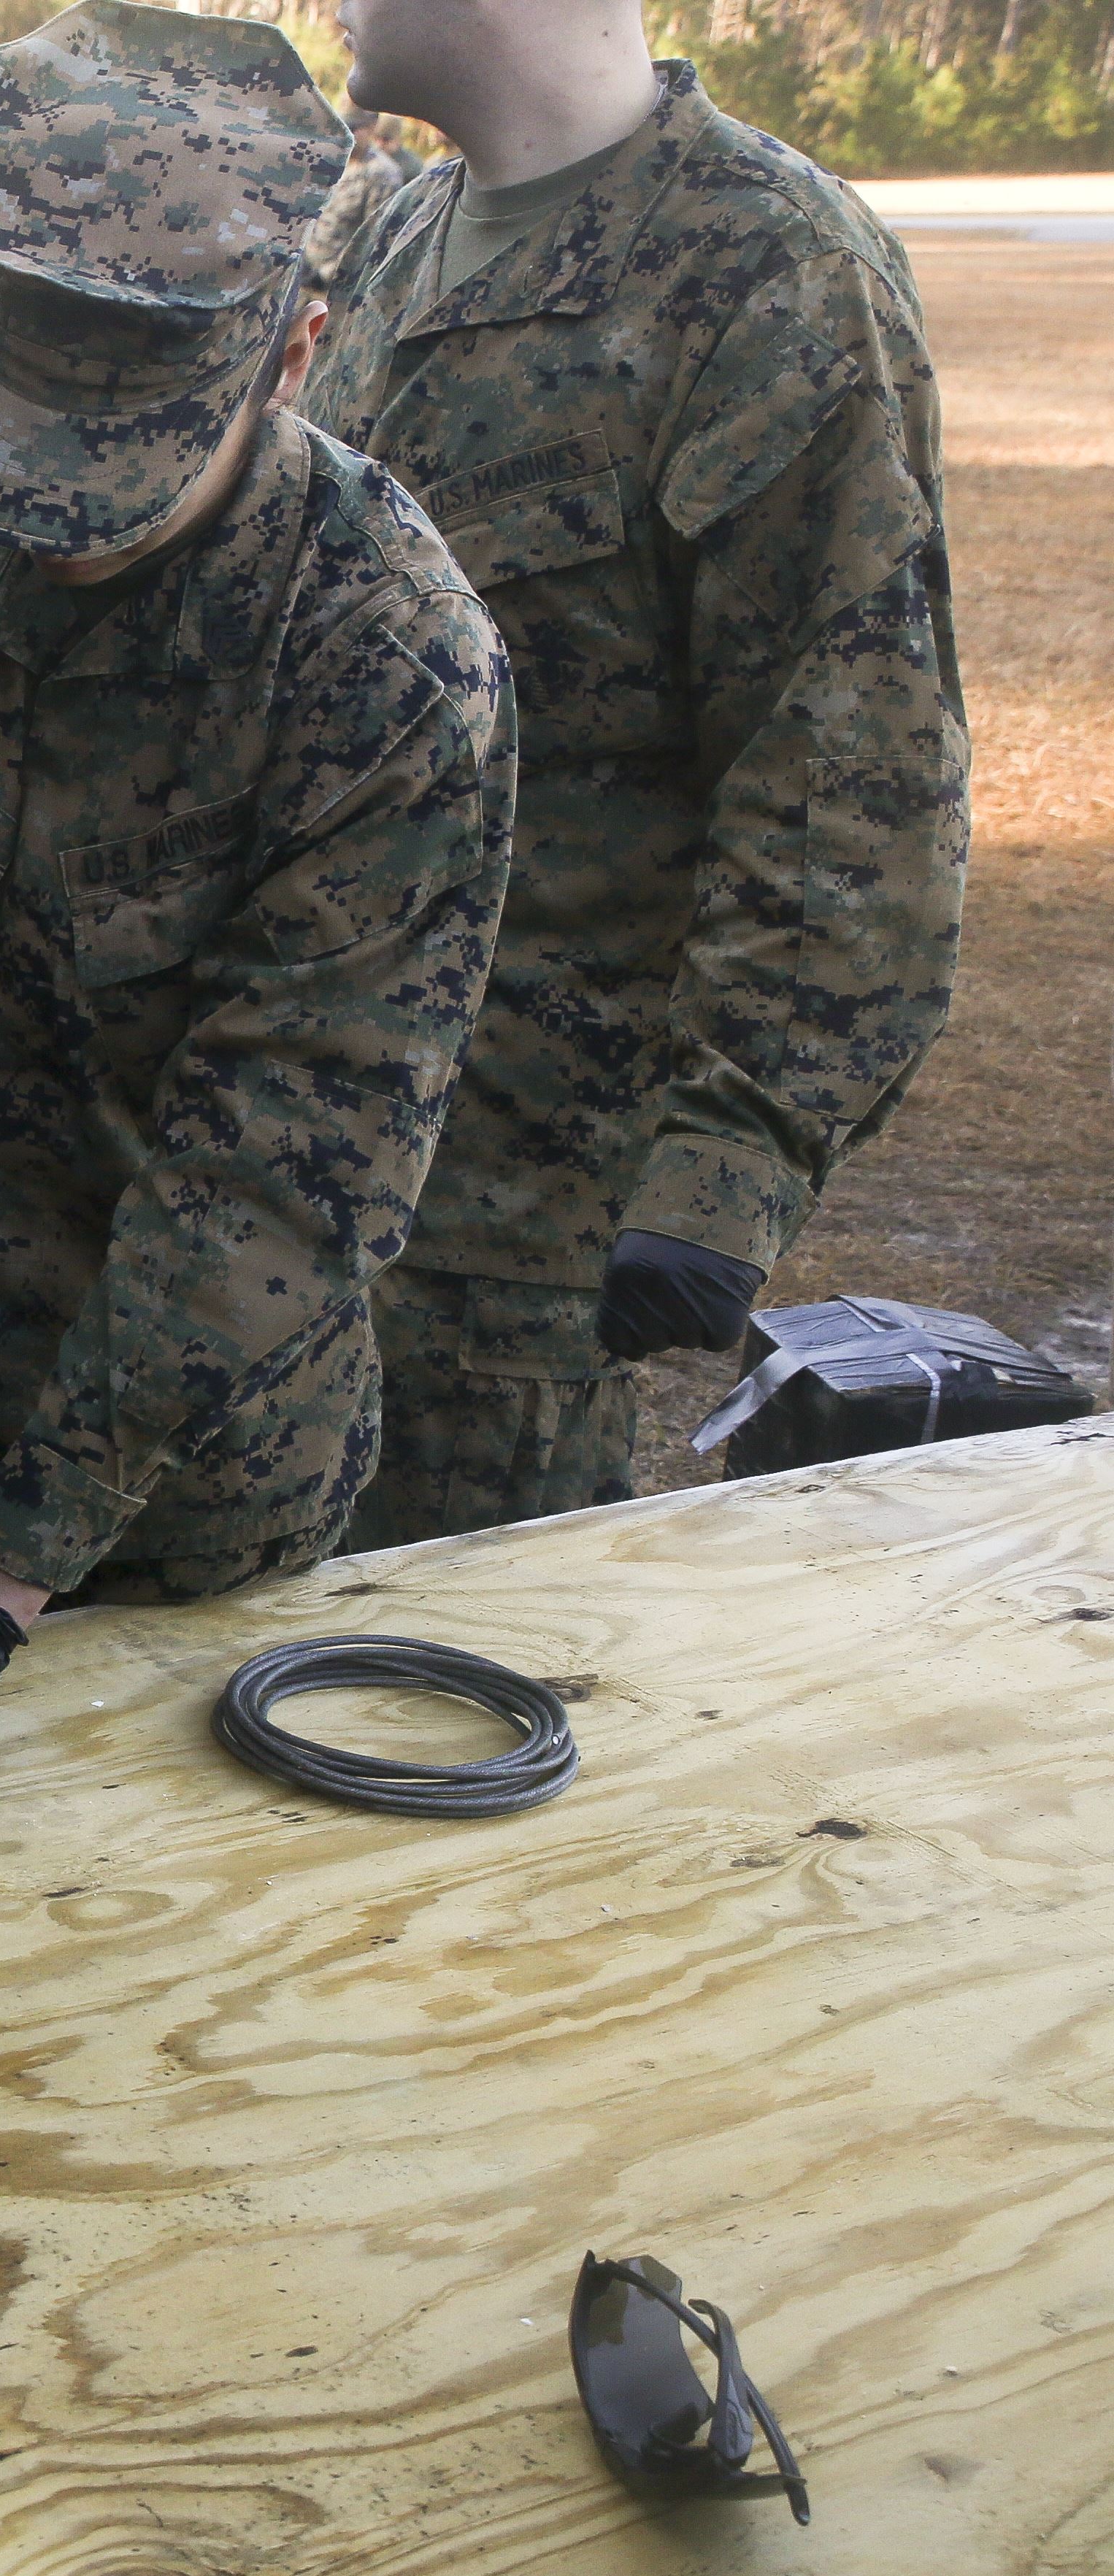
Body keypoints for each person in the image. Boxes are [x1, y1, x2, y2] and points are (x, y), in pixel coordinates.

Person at [0, 1, 517, 1858]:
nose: (46, 525)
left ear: (293, 348)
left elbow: (280, 1179)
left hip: (161, 1523)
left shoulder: (383, 662)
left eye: (110, 461)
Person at [307, 0, 964, 1549]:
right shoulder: (400, 237)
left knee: (439, 1691)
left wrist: (724, 1165)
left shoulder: (768, 270)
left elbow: (847, 776)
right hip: (277, 1148)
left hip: (508, 1216)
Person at [304, 94, 411, 295]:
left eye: (353, 128)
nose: (345, 133)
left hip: (338, 290)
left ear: (372, 127)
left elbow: (372, 239)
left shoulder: (382, 174)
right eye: (340, 125)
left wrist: (325, 275)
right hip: (303, 277)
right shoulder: (328, 160)